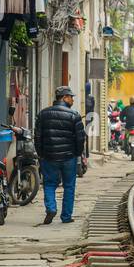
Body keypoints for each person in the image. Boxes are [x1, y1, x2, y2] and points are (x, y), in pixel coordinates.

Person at [35, 85, 87, 225]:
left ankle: (51, 208)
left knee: (49, 184)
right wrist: (77, 154)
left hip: (49, 157)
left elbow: (38, 137)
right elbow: (80, 138)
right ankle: (66, 216)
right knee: (69, 186)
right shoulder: (74, 115)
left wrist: (41, 154)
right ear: (64, 97)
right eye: (71, 97)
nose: (72, 100)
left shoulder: (43, 114)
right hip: (68, 157)